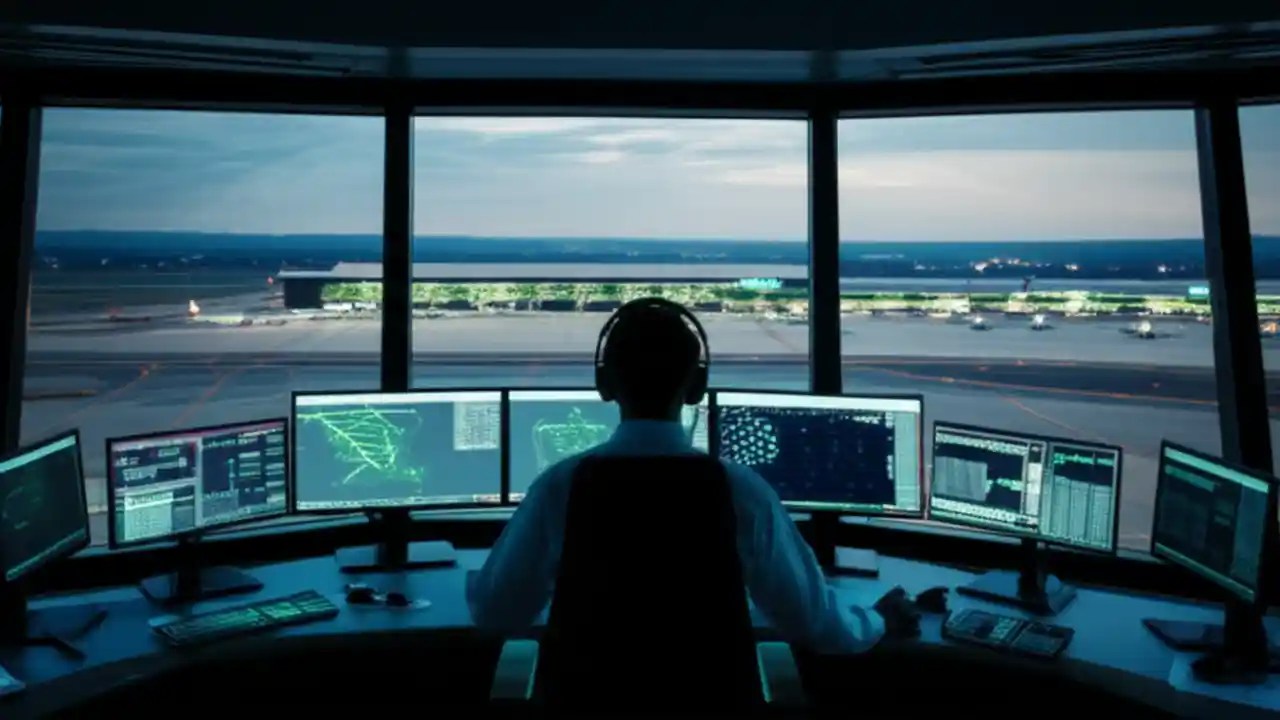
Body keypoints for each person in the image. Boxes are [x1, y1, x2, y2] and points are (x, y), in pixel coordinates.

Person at [467, 297, 920, 652]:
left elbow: (495, 614)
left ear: (603, 386)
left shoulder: (560, 487)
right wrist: (878, 617)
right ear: (699, 387)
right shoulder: (742, 491)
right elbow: (815, 623)